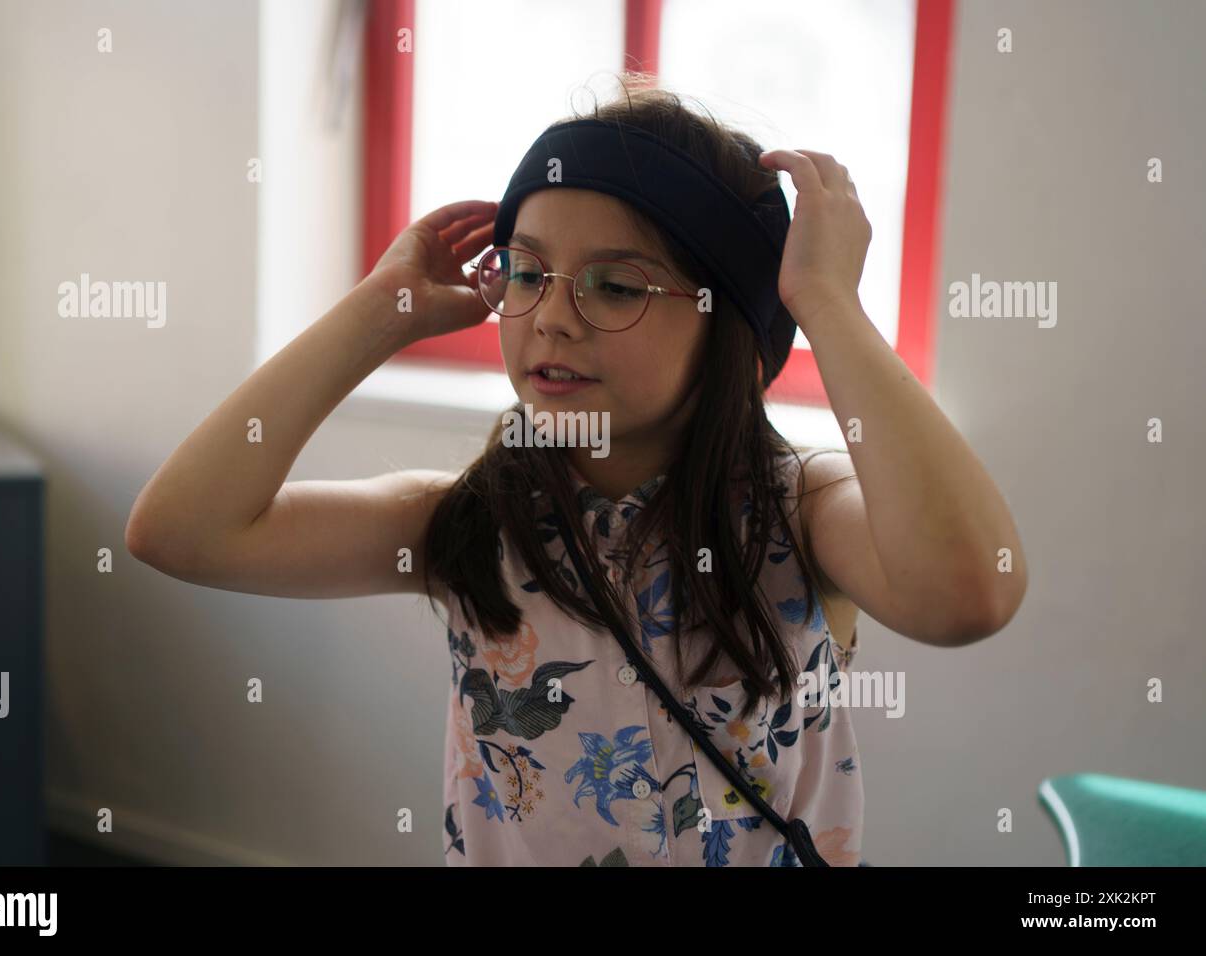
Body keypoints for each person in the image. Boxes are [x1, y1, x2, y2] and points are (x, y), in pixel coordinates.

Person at [126, 77, 1027, 867]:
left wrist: (827, 303)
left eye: (617, 286)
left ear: (733, 330)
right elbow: (180, 532)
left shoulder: (805, 512)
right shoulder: (463, 525)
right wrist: (377, 313)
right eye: (526, 273)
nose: (551, 317)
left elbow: (966, 594)